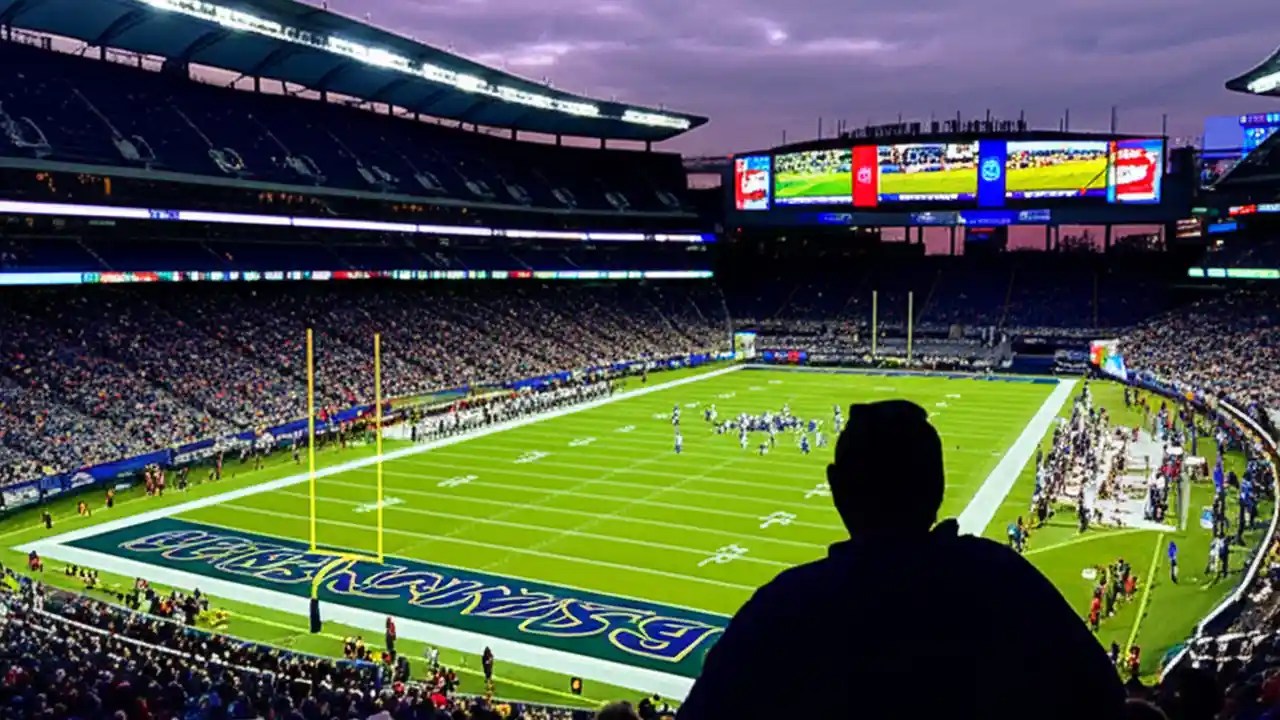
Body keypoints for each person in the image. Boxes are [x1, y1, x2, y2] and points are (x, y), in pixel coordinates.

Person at [679, 400, 1126, 720]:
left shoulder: (782, 607)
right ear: (937, 487)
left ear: (836, 488)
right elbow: (1103, 696)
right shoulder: (1002, 579)